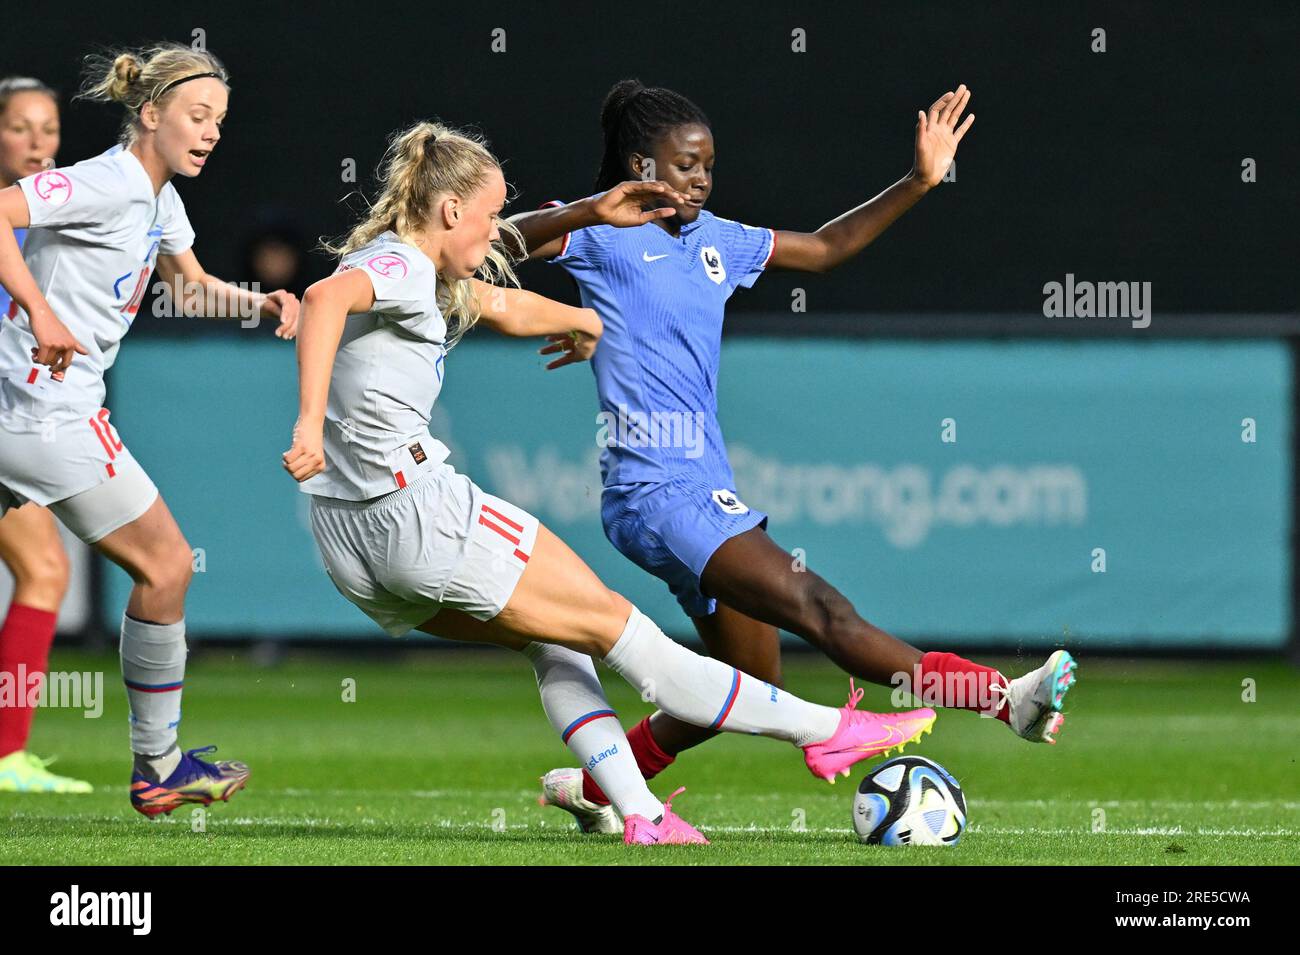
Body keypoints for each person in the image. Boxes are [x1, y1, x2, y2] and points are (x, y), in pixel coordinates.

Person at [281, 120, 937, 846]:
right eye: (494, 214)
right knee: (629, 635)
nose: (501, 232)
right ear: (451, 211)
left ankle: (645, 816)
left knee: (554, 643)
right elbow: (321, 299)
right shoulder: (403, 266)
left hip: (346, 544)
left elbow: (500, 304)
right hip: (416, 514)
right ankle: (827, 729)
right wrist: (309, 425)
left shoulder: (416, 270)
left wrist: (581, 319)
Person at [508, 80, 1076, 833]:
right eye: (684, 165)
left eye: (709, 164)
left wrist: (917, 181)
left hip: (701, 486)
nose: (702, 179)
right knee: (825, 611)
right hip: (657, 489)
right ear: (642, 164)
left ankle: (598, 784)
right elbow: (495, 242)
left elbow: (827, 246)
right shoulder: (604, 235)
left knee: (748, 682)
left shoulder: (715, 239)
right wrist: (587, 210)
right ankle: (1005, 699)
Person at [0, 43, 300, 816]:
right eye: (197, 117)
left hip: (32, 411)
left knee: (152, 567)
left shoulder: (159, 199)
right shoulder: (104, 181)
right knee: (166, 565)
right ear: (150, 113)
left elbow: (190, 288)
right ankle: (157, 765)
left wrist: (260, 303)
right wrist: (39, 307)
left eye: (220, 122)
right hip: (44, 412)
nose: (211, 133)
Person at [0, 75, 93, 794]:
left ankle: (6, 752)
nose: (38, 143)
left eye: (49, 128)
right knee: (46, 570)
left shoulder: (57, 209)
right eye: (21, 127)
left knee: (45, 570)